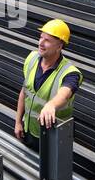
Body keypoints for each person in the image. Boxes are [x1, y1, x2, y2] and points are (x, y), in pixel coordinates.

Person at [15, 19, 82, 151]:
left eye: (47, 40)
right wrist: (18, 122)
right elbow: (24, 92)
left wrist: (51, 105)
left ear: (59, 46)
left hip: (53, 138)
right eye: (41, 38)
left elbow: (64, 94)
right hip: (28, 129)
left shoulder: (71, 73)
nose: (41, 43)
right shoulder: (31, 59)